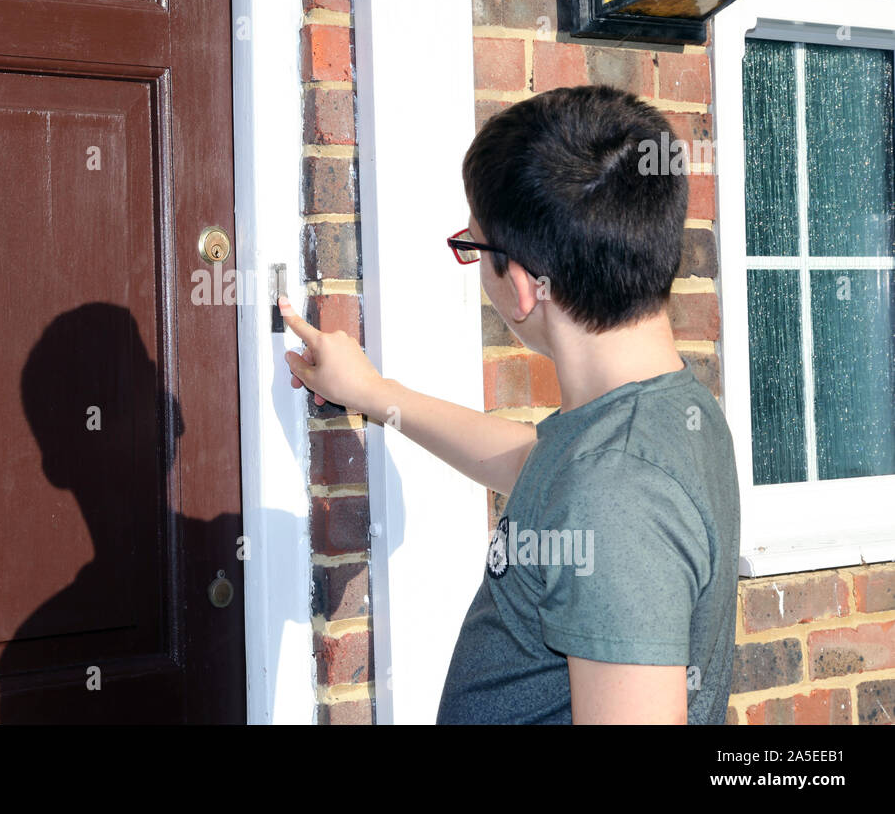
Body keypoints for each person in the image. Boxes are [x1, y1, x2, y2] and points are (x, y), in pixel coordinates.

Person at [278, 84, 740, 724]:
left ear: (523, 286)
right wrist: (373, 394)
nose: (473, 260)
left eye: (474, 246)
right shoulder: (663, 414)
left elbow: (591, 497)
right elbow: (538, 466)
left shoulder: (616, 491)